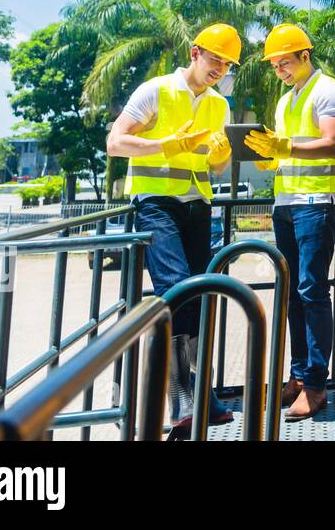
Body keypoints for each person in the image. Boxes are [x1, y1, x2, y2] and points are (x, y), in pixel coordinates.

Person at [105, 23, 241, 435]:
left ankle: (202, 394)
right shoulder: (156, 90)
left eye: (227, 64)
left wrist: (222, 155)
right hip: (157, 204)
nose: (219, 69)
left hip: (198, 205)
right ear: (195, 53)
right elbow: (115, 143)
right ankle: (180, 398)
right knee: (177, 288)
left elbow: (217, 166)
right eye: (215, 59)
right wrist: (165, 145)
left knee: (199, 295)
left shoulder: (219, 105)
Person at [245, 24, 335, 421]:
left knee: (312, 292)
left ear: (305, 56)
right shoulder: (285, 100)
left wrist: (285, 147)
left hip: (317, 204)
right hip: (287, 205)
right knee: (292, 293)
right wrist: (269, 157)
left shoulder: (329, 91)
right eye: (275, 65)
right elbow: (286, 151)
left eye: (285, 63)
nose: (280, 71)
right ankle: (299, 375)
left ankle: (316, 386)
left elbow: (331, 144)